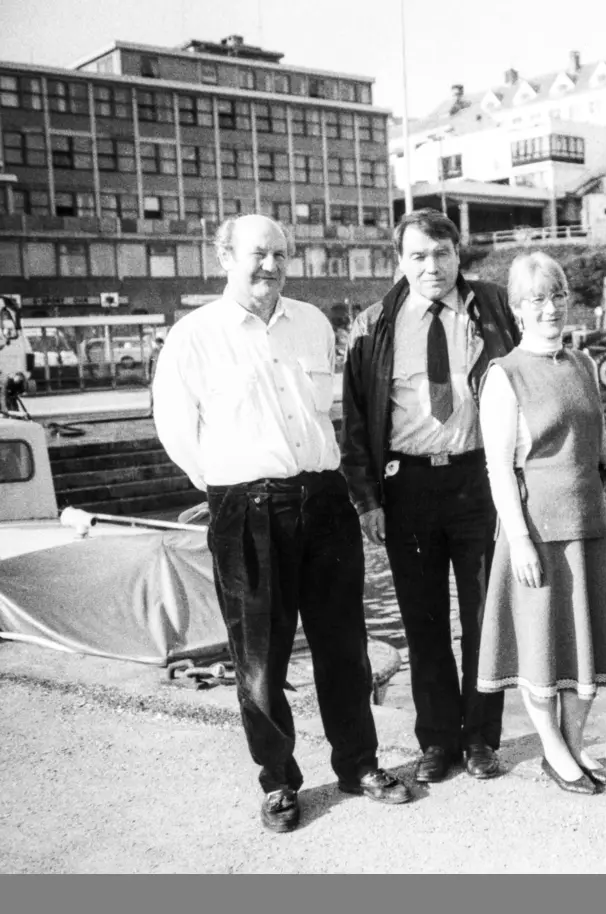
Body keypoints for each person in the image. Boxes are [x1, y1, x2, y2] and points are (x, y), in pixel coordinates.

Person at [152, 214, 409, 834]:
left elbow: (329, 418)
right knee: (260, 658)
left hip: (323, 499)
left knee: (343, 646)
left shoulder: (313, 324)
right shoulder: (195, 337)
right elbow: (177, 432)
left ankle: (358, 764)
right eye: (259, 254)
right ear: (224, 256)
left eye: (282, 255)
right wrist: (232, 487)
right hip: (247, 505)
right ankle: (278, 782)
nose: (272, 266)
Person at [341, 208, 519, 784]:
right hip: (409, 486)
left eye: (441, 254)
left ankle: (481, 739)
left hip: (478, 481)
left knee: (482, 617)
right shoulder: (374, 324)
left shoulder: (493, 307)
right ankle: (437, 739)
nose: (432, 267)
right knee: (423, 623)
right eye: (417, 256)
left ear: (458, 253)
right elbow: (356, 421)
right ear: (400, 260)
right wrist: (367, 500)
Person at [475, 253, 606, 795]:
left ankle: (572, 746)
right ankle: (553, 749)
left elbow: (602, 449)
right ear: (518, 308)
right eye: (536, 299)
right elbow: (499, 466)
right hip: (538, 533)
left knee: (586, 649)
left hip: (588, 524)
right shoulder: (504, 375)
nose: (549, 308)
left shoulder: (584, 366)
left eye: (557, 295)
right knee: (544, 649)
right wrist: (518, 540)